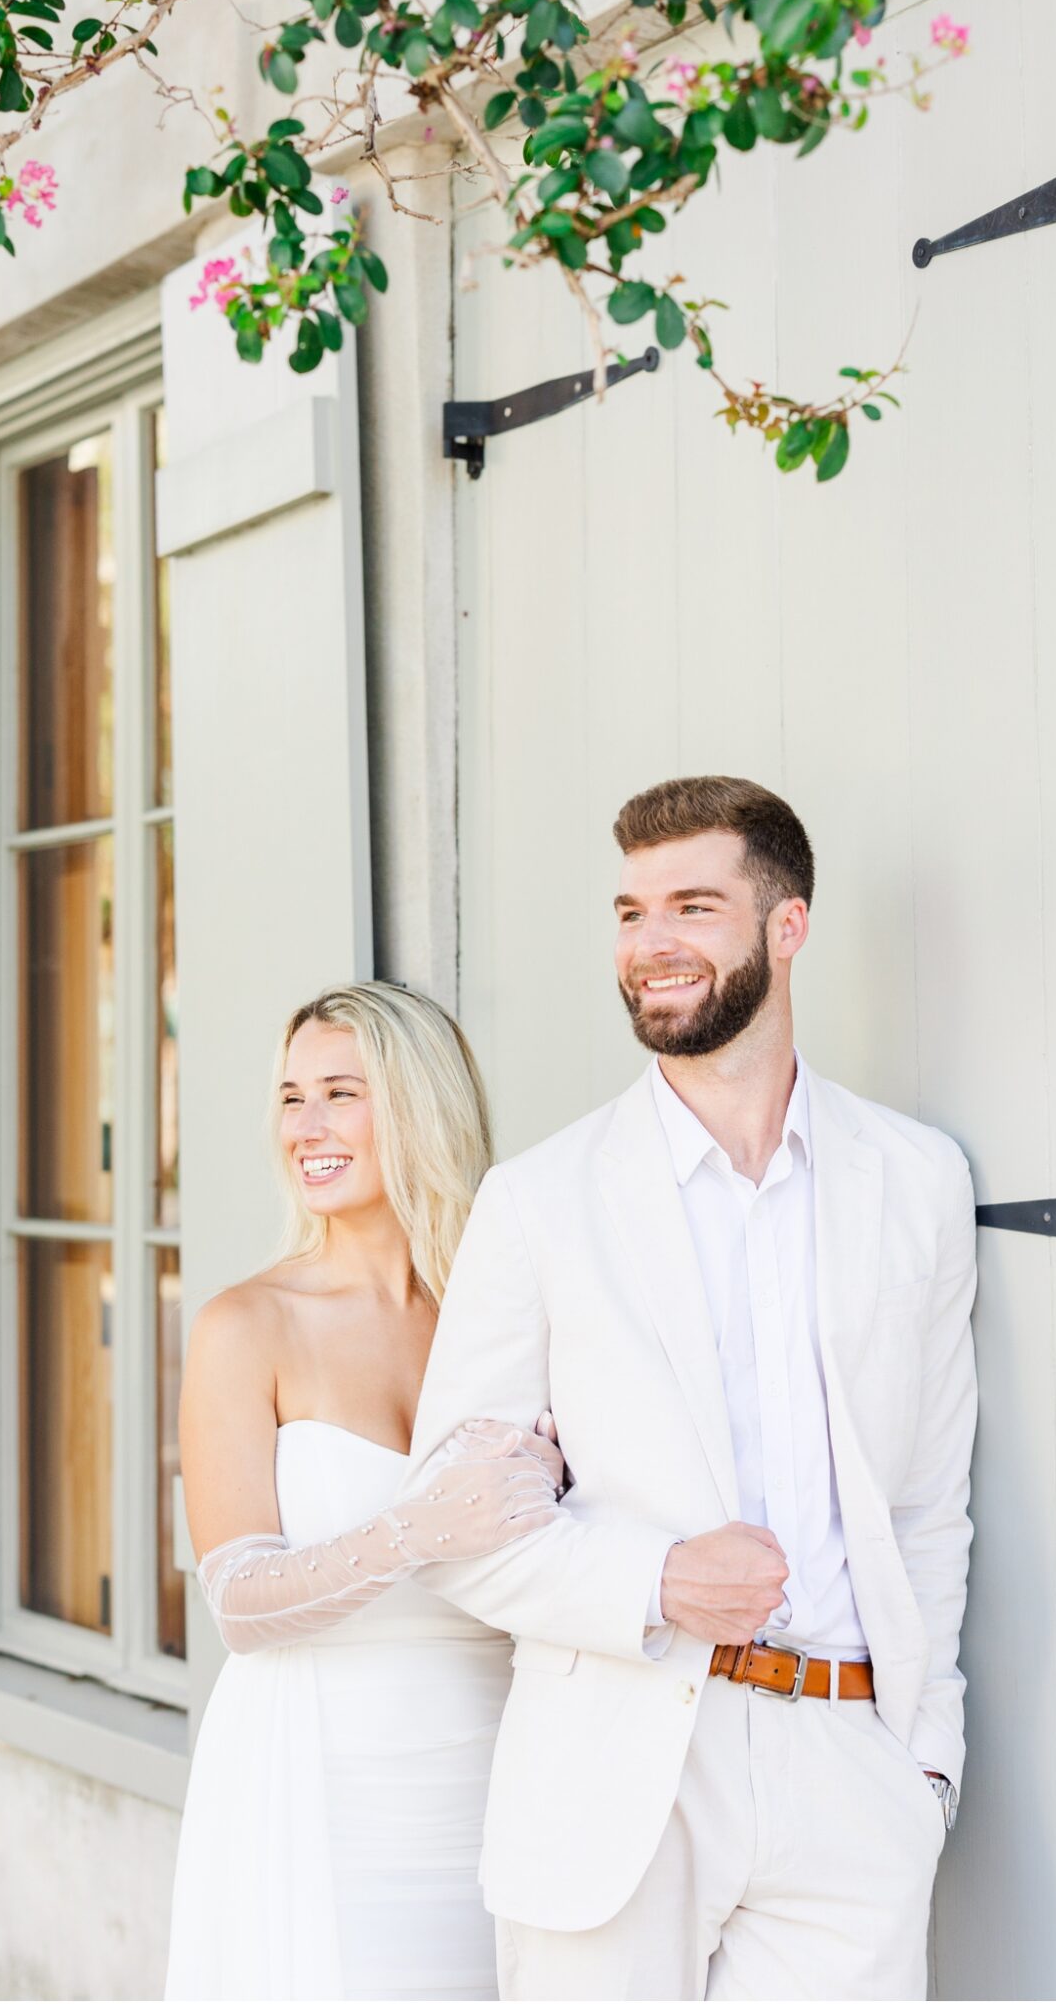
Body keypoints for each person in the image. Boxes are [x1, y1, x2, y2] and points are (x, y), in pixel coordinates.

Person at [405, 774, 978, 2001]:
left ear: (786, 926)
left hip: (850, 1764)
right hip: (618, 1763)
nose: (648, 944)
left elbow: (929, 1498)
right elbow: (451, 1531)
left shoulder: (914, 1181)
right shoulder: (540, 1200)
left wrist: (921, 1765)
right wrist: (655, 1578)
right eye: (627, 911)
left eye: (690, 905)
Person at [165, 982, 564, 2002]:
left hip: (500, 1770)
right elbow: (238, 1603)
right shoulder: (244, 1324)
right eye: (292, 1097)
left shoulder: (509, 1309)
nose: (306, 1127)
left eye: (341, 1092)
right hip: (315, 1782)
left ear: (418, 1107)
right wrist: (414, 1529)